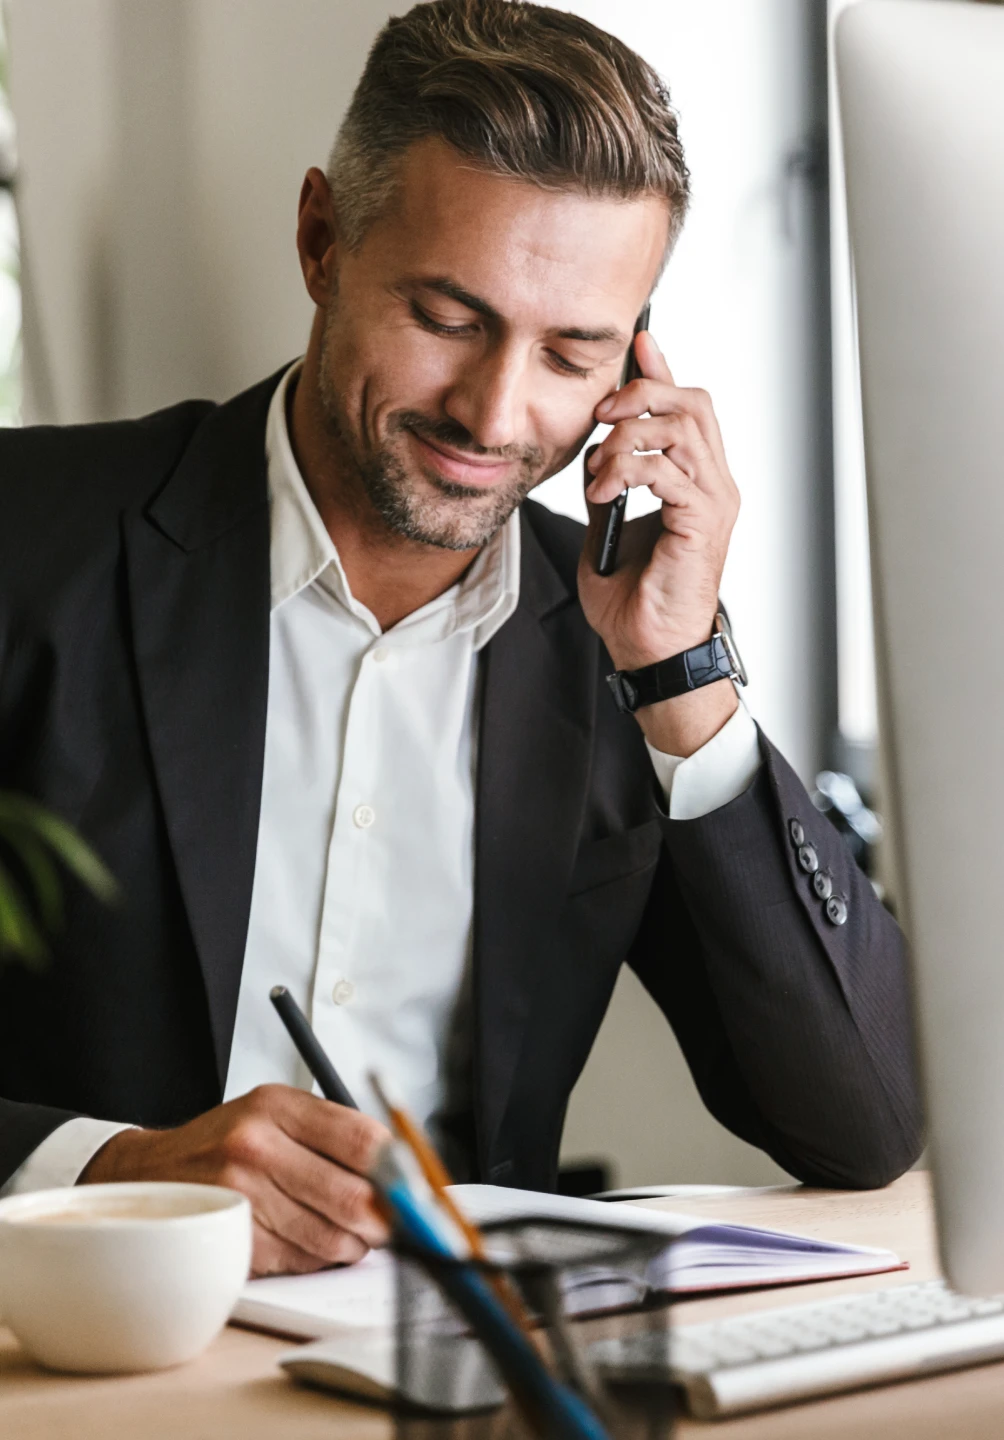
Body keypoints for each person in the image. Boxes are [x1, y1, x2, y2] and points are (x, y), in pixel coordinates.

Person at [0, 0, 921, 1276]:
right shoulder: (27, 539)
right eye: (447, 316)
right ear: (322, 239)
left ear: (634, 363)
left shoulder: (616, 638)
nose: (496, 413)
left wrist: (682, 680)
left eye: (570, 352)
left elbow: (863, 1121)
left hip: (455, 1379)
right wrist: (108, 1169)